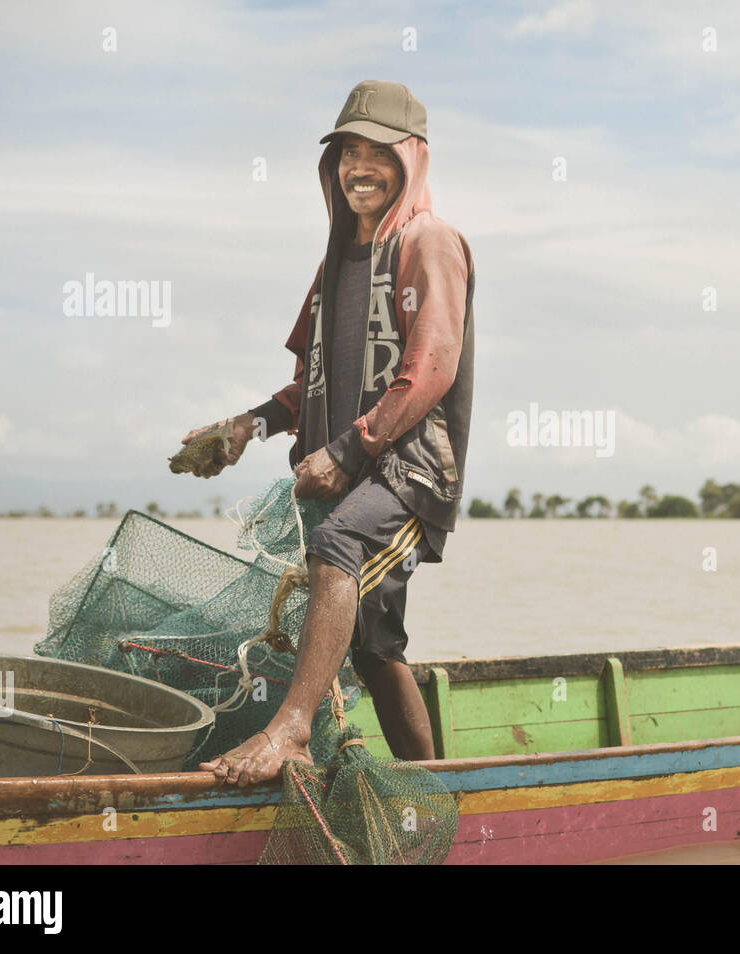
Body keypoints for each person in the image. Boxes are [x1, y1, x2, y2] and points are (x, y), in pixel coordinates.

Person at [180, 80, 474, 786]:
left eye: (378, 151)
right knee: (374, 648)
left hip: (410, 473)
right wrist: (247, 426)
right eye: (347, 152)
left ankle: (292, 727)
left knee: (338, 546)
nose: (359, 167)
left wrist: (349, 452)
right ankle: (431, 794)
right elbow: (308, 380)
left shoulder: (429, 241)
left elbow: (430, 368)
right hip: (357, 470)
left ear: (412, 159)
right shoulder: (336, 265)